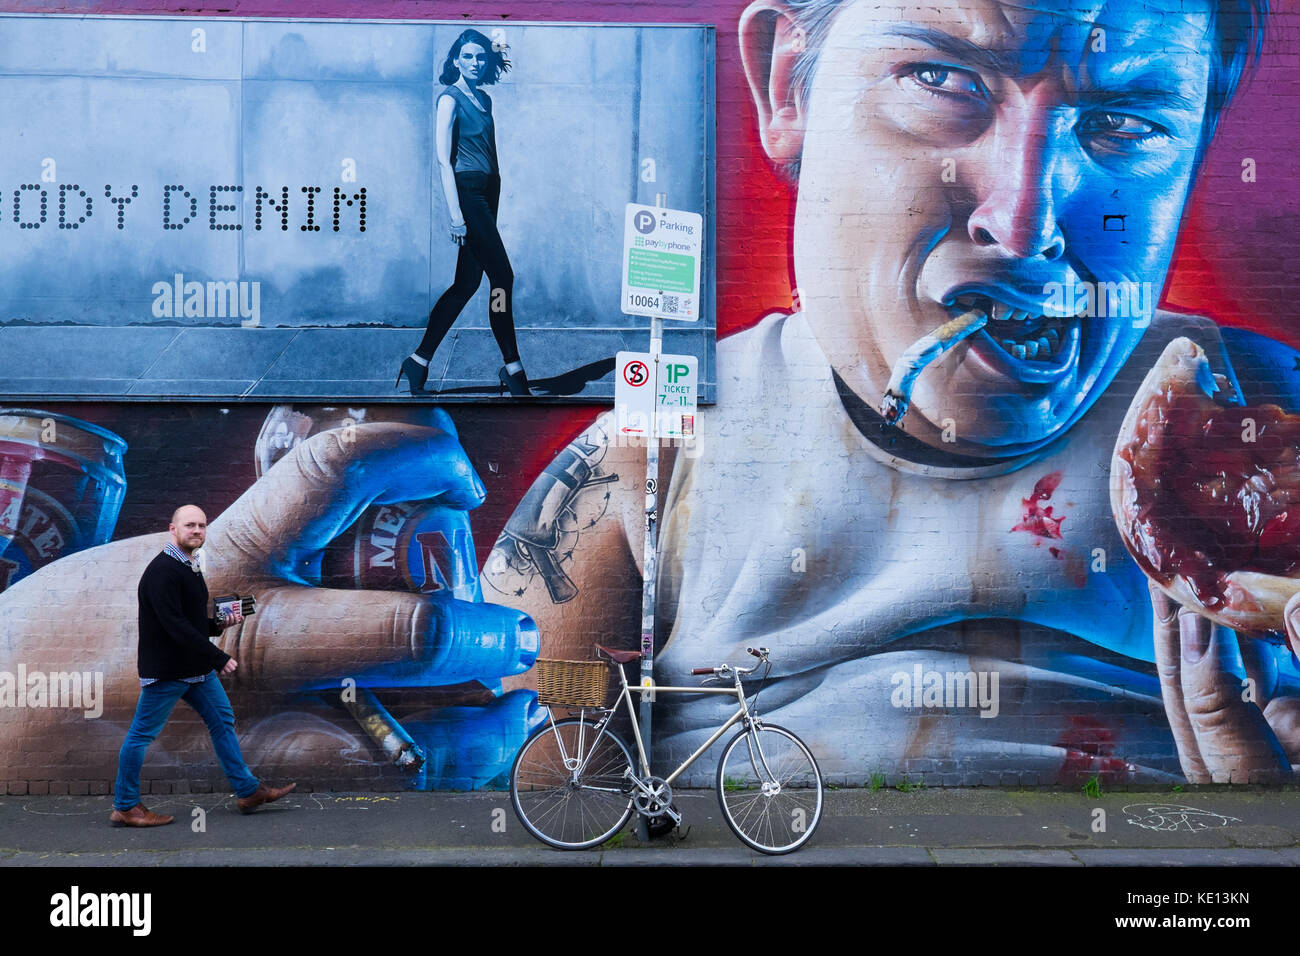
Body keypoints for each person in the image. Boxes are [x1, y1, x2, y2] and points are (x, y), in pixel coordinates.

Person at [487, 0, 1300, 787]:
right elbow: (538, 796)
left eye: (1124, 124)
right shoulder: (644, 456)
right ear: (787, 83)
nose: (1022, 223)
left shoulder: (1268, 410)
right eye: (945, 81)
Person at [110, 505, 296, 826]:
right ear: (173, 529)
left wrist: (219, 624)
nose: (197, 530)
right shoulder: (163, 571)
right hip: (168, 670)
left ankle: (248, 791)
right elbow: (174, 626)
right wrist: (218, 657)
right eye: (190, 525)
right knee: (141, 735)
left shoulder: (189, 566)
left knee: (222, 720)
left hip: (194, 669)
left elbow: (190, 621)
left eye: (202, 525)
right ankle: (126, 806)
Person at [397, 28, 532, 398]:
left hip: (488, 192)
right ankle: (513, 369)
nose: (475, 62)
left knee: (466, 285)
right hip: (468, 195)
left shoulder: (485, 99)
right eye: (468, 56)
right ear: (455, 60)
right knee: (502, 277)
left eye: (480, 57)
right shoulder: (449, 99)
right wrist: (456, 214)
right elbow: (443, 161)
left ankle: (418, 360)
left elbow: (489, 150)